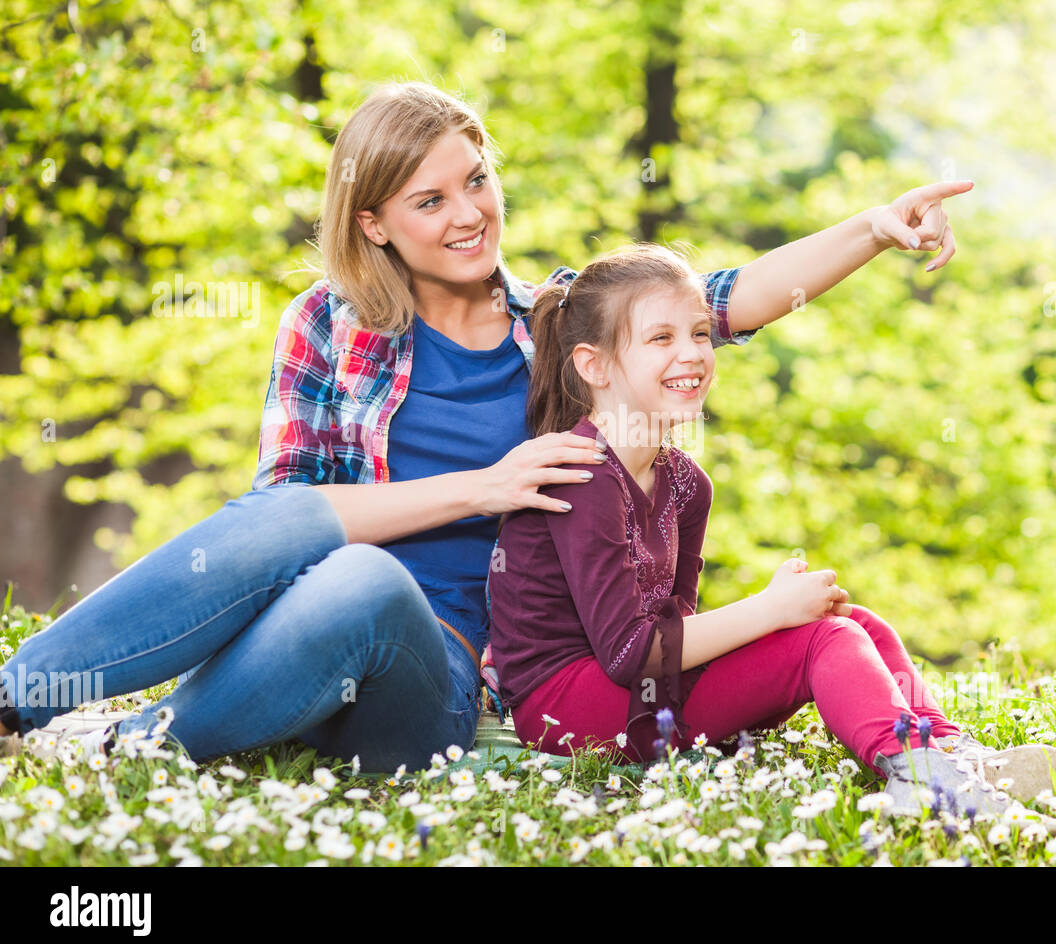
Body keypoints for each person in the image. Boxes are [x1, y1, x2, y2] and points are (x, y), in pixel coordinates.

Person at [1, 81, 972, 774]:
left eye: (476, 179)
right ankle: (20, 695)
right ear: (375, 223)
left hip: (443, 690)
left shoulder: (555, 320)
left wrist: (872, 229)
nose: (470, 213)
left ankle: (144, 740)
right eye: (430, 199)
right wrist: (482, 486)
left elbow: (719, 301)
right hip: (308, 639)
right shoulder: (325, 323)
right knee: (300, 528)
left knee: (370, 581)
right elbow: (283, 520)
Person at [487, 243, 1056, 819]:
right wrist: (769, 612)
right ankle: (920, 777)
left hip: (641, 688)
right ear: (593, 365)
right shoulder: (579, 474)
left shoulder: (686, 484)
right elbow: (630, 654)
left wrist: (769, 630)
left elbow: (679, 624)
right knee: (824, 641)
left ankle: (951, 755)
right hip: (566, 706)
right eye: (661, 339)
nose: (692, 353)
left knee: (853, 624)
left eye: (699, 332)